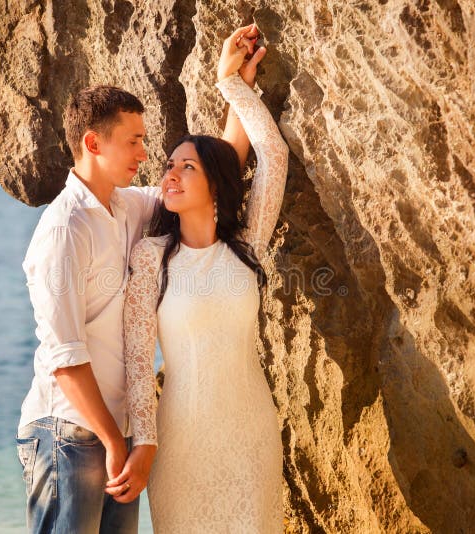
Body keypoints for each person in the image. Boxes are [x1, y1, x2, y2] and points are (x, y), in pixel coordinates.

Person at [15, 24, 266, 533]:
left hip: (119, 433)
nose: (143, 154)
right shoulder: (64, 229)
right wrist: (115, 442)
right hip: (67, 431)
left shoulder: (130, 207)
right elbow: (65, 356)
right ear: (93, 143)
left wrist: (233, 81)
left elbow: (212, 176)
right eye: (133, 141)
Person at [114, 25, 289, 532]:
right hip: (180, 445)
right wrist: (144, 444)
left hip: (250, 435)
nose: (168, 175)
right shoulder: (151, 257)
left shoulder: (247, 243)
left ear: (215, 186)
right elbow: (138, 361)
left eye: (185, 167)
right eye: (169, 164)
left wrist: (230, 84)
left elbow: (272, 155)